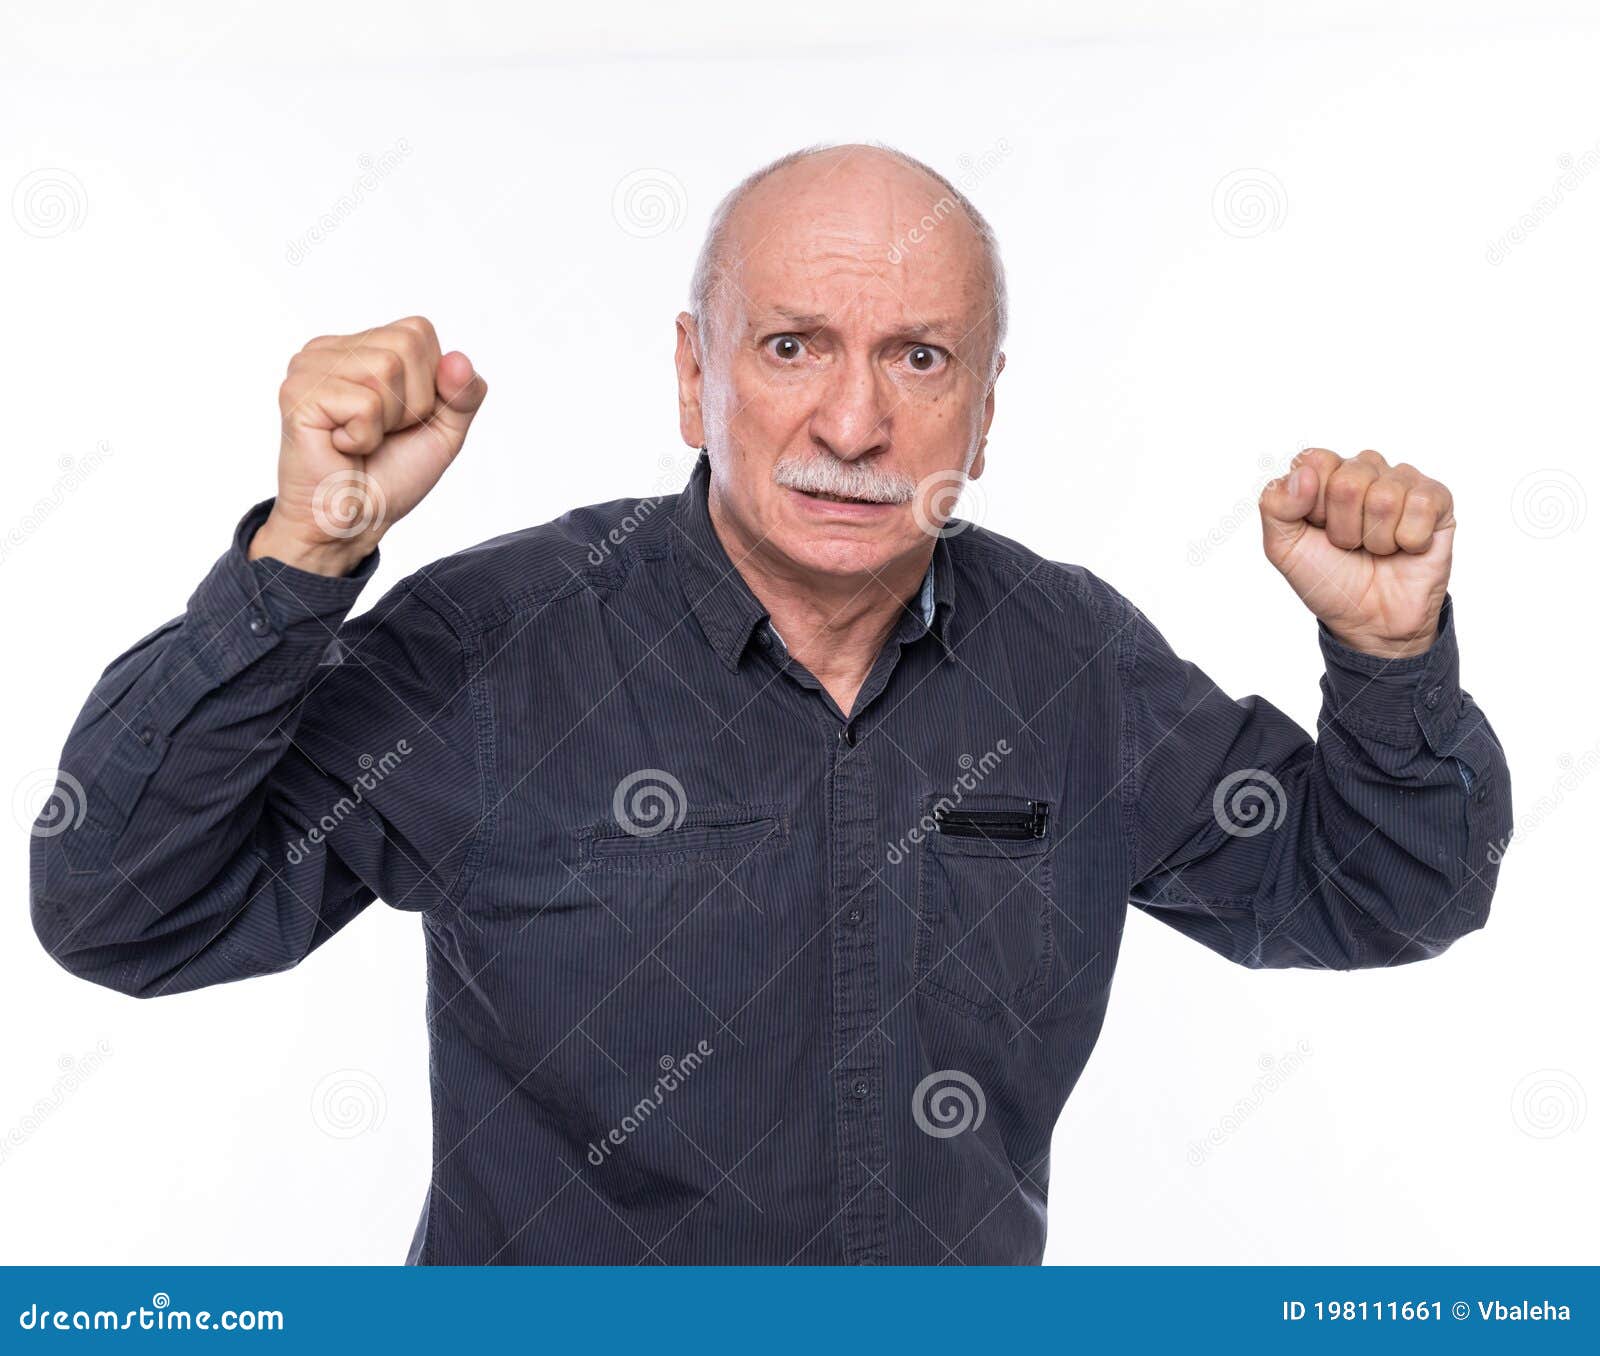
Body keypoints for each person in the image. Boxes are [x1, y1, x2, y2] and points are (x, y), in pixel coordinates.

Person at [29, 143, 1512, 1264]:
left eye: (918, 358)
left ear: (986, 411)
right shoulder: (495, 645)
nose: (853, 424)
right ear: (694, 377)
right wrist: (304, 554)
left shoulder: (1073, 664)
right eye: (791, 345)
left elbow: (1384, 898)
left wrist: (1388, 659)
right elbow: (122, 911)